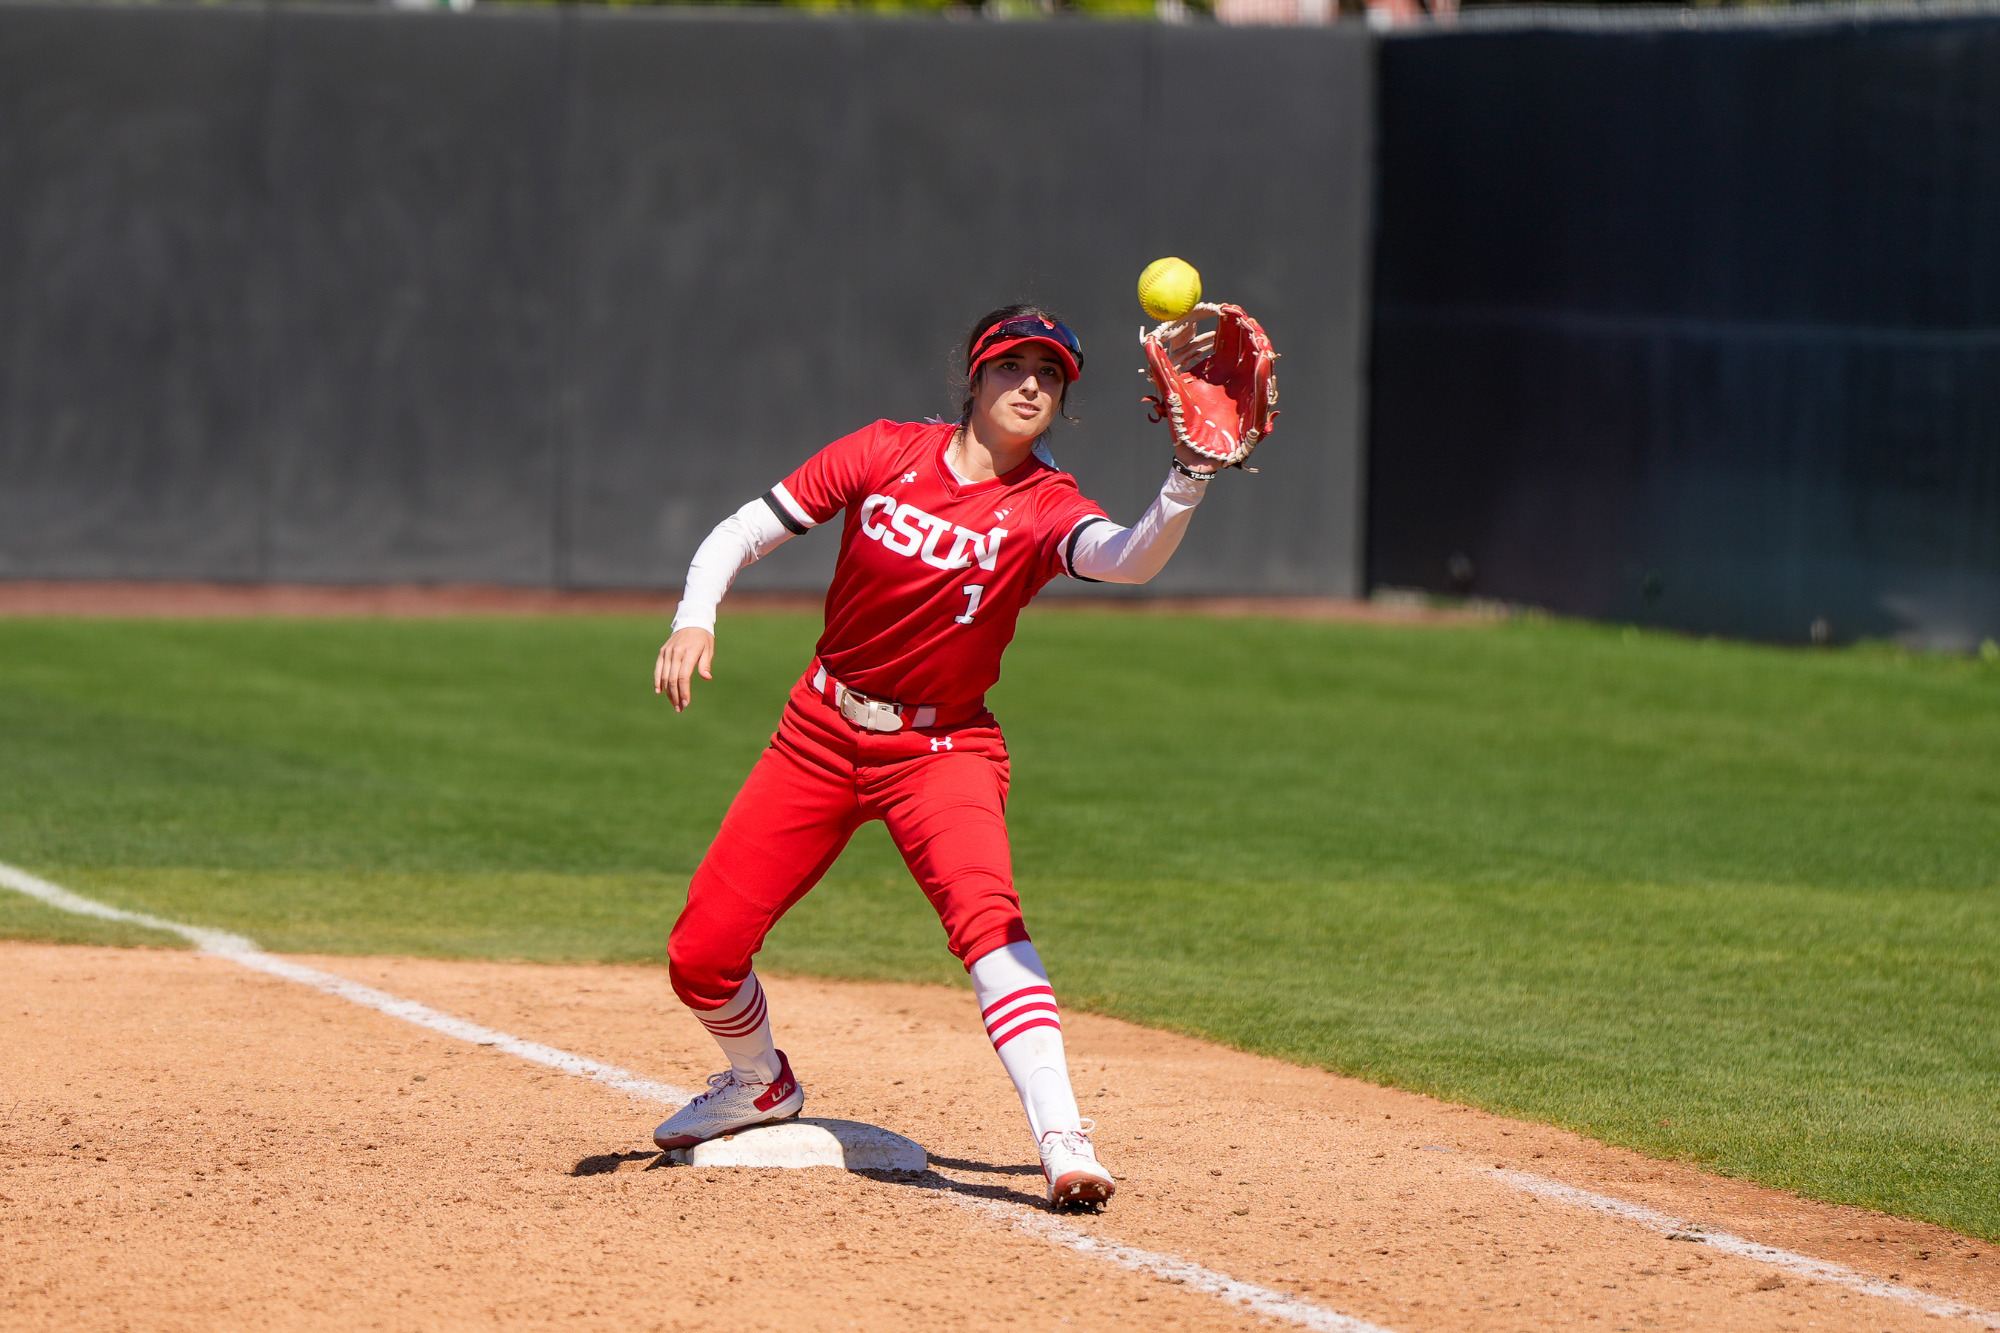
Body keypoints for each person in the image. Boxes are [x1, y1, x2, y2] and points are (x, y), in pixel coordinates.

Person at [650, 304, 1225, 1209]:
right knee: (700, 952)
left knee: (989, 922)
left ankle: (1063, 1136)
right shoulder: (885, 452)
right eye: (1012, 366)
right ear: (975, 375)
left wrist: (1188, 477)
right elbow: (743, 530)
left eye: (1050, 374)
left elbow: (1126, 558)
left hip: (942, 748)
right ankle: (758, 1080)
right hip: (820, 730)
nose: (1031, 384)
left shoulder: (1044, 505)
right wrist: (696, 615)